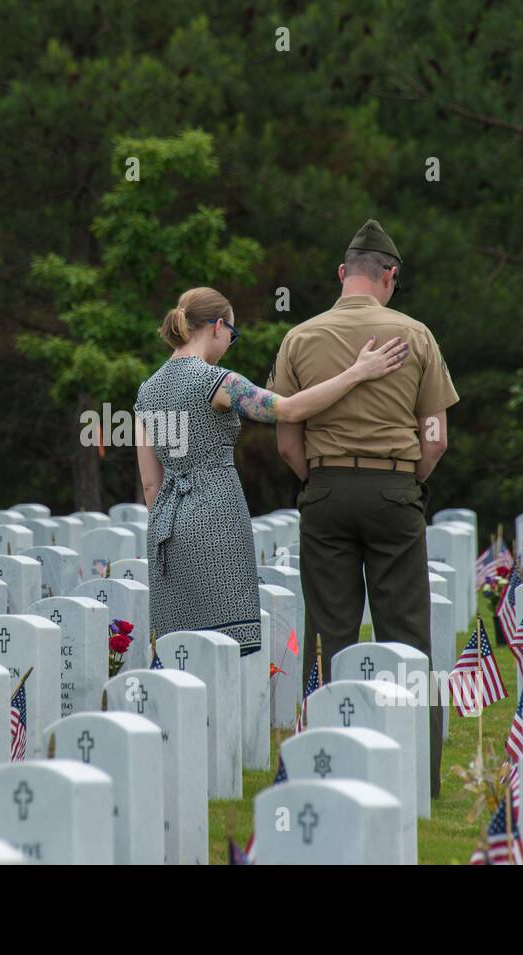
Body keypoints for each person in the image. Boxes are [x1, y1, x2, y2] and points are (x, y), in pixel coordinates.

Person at [268, 219, 459, 798]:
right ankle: (418, 774)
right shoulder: (417, 336)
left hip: (325, 491)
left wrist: (318, 480)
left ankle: (325, 763)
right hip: (395, 492)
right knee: (407, 638)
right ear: (390, 276)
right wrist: (408, 482)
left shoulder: (299, 338)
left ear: (342, 275)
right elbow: (436, 436)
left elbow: (285, 437)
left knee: (329, 632)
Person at [134, 286, 408, 658]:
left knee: (179, 649)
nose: (230, 343)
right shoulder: (215, 381)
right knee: (226, 650)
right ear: (217, 327)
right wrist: (357, 373)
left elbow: (151, 484)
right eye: (233, 334)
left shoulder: (147, 392)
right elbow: (290, 410)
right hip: (215, 517)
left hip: (166, 526)